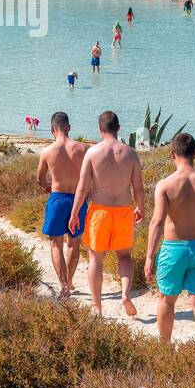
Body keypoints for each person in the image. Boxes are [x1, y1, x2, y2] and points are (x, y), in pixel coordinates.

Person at [145, 133, 195, 349]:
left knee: (166, 300)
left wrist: (149, 256)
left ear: (172, 154)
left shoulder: (165, 184)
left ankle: (165, 347)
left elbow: (156, 222)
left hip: (173, 249)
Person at [69, 110, 144, 317]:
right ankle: (125, 295)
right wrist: (141, 207)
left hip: (100, 212)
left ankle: (97, 307)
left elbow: (82, 188)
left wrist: (74, 213)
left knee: (96, 259)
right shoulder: (130, 153)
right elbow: (138, 188)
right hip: (123, 211)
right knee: (125, 256)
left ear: (100, 129)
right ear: (118, 128)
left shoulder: (92, 153)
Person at [37, 111, 88, 299]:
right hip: (78, 199)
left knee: (56, 243)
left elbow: (39, 178)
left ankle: (63, 285)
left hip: (57, 198)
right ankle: (71, 280)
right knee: (74, 242)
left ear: (52, 129)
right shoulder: (83, 149)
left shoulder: (47, 151)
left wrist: (46, 187)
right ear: (69, 127)